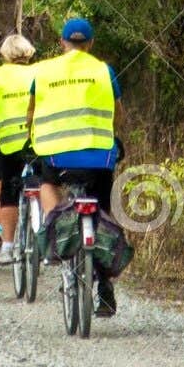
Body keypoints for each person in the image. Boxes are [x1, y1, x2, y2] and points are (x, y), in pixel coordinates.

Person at [27, 17, 122, 317]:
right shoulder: (104, 71)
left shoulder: (43, 71)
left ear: (62, 43)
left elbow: (31, 113)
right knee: (104, 212)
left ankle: (56, 234)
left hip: (57, 156)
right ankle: (105, 284)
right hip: (99, 158)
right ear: (91, 44)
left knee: (48, 184)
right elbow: (118, 114)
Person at [0, 33, 37, 264]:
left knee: (8, 191)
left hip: (9, 143)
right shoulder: (39, 72)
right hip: (36, 141)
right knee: (43, 183)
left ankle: (8, 246)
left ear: (5, 54)